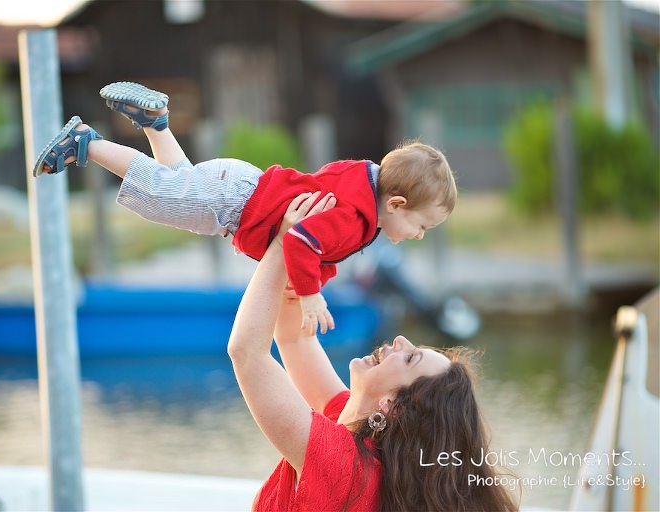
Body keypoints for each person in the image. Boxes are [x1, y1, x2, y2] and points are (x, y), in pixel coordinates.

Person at [33, 81, 456, 336]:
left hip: (241, 184)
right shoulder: (354, 218)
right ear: (396, 203)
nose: (419, 235)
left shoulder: (357, 188)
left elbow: (320, 248)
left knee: (179, 181)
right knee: (162, 194)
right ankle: (88, 143)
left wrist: (313, 280)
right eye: (421, 225)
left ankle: (155, 123)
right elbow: (304, 239)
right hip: (236, 203)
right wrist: (309, 296)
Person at [227, 191, 518, 511]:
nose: (401, 341)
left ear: (392, 406)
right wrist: (299, 268)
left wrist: (283, 243)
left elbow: (247, 353)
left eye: (410, 357)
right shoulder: (351, 426)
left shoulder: (344, 468)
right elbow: (296, 340)